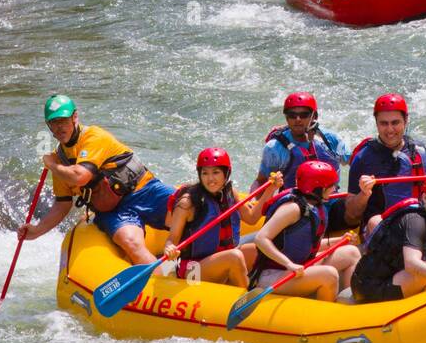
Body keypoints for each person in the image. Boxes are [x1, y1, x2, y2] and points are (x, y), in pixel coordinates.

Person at [19, 95, 175, 267]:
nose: (59, 127)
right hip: (113, 211)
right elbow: (62, 204)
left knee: (191, 207)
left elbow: (80, 176)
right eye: (54, 122)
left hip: (143, 190)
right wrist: (37, 231)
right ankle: (159, 287)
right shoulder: (60, 161)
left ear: (75, 117)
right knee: (131, 243)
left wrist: (52, 166)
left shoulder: (93, 137)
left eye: (63, 120)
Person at [250, 160, 367, 301]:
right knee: (329, 274)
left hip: (300, 266)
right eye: (331, 186)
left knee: (352, 253)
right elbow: (261, 238)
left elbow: (305, 245)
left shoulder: (316, 207)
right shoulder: (292, 208)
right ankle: (325, 316)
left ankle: (349, 303)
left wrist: (340, 241)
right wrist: (288, 264)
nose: (334, 189)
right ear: (318, 189)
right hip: (274, 273)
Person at [163, 148, 283, 286]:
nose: (210, 179)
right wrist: (169, 248)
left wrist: (270, 190)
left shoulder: (230, 193)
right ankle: (244, 296)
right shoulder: (187, 203)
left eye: (216, 172)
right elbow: (172, 240)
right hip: (192, 269)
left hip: (222, 258)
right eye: (205, 173)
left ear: (226, 173)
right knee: (234, 256)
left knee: (263, 250)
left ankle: (261, 284)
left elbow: (252, 218)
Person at [351, 174, 426, 303]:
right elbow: (411, 264)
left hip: (386, 278)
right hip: (369, 288)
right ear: (425, 198)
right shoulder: (415, 221)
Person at [347, 94, 426, 236]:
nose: (389, 130)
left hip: (419, 223)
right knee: (375, 222)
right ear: (376, 123)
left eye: (395, 123)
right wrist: (363, 195)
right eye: (384, 123)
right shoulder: (363, 158)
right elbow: (351, 216)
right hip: (382, 230)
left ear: (405, 120)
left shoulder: (420, 151)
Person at [255, 93, 349, 191]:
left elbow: (355, 162)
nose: (298, 119)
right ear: (287, 118)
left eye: (304, 115)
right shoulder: (274, 147)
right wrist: (261, 205)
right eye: (292, 115)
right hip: (294, 201)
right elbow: (261, 182)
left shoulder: (332, 140)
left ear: (314, 116)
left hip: (331, 200)